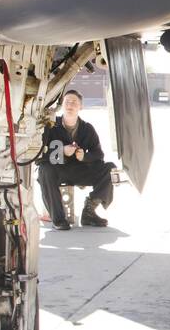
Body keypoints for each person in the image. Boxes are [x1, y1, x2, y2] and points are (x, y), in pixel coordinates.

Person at [37, 89, 114, 229]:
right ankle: (58, 219)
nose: (70, 105)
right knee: (44, 169)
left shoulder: (87, 129)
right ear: (62, 106)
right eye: (67, 102)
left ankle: (89, 212)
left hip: (79, 170)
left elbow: (99, 156)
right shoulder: (51, 126)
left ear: (80, 106)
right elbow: (39, 155)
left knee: (109, 168)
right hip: (57, 171)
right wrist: (61, 151)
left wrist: (85, 156)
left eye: (74, 102)